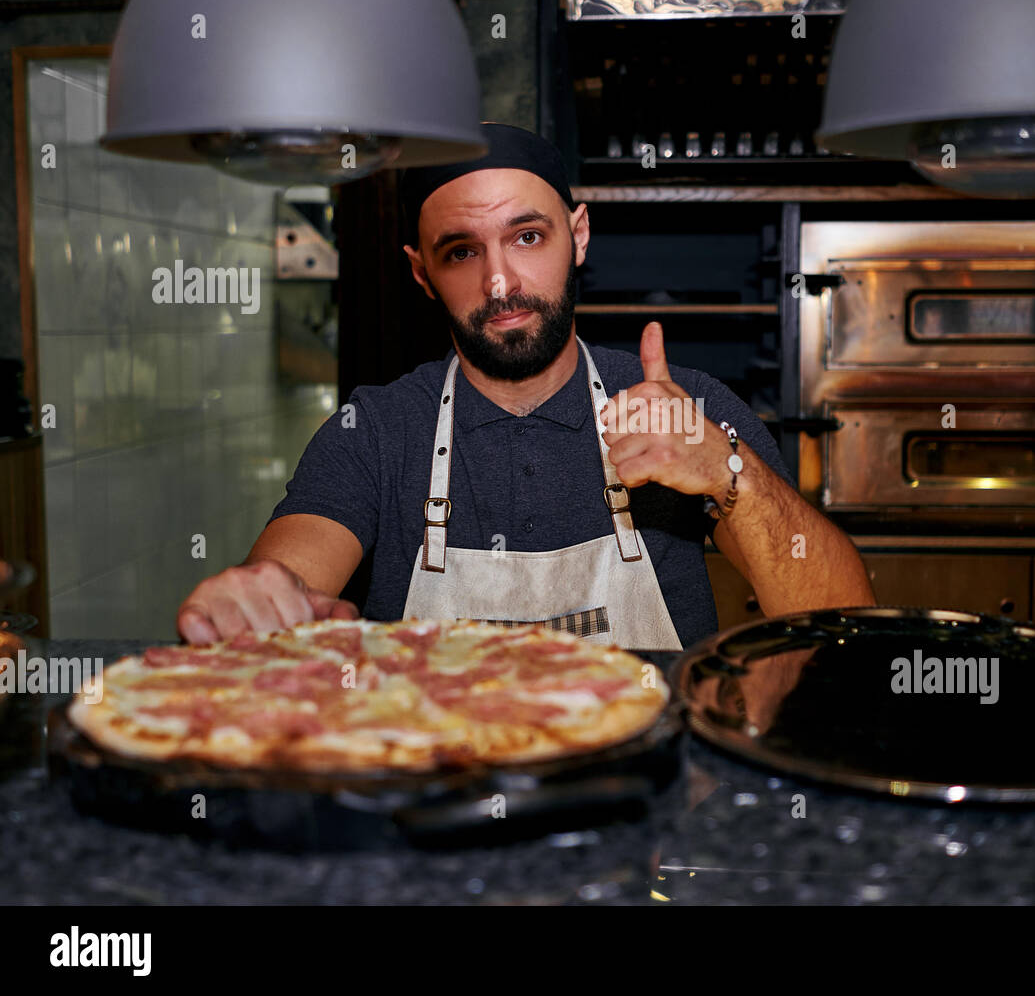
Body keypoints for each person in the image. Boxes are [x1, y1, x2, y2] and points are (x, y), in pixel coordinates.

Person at [177, 124, 873, 650]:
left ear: (579, 235)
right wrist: (259, 599)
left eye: (529, 238)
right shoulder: (376, 433)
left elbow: (842, 619)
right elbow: (290, 577)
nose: (500, 282)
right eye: (461, 252)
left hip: (651, 815)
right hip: (437, 812)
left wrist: (726, 470)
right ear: (422, 274)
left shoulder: (683, 407)